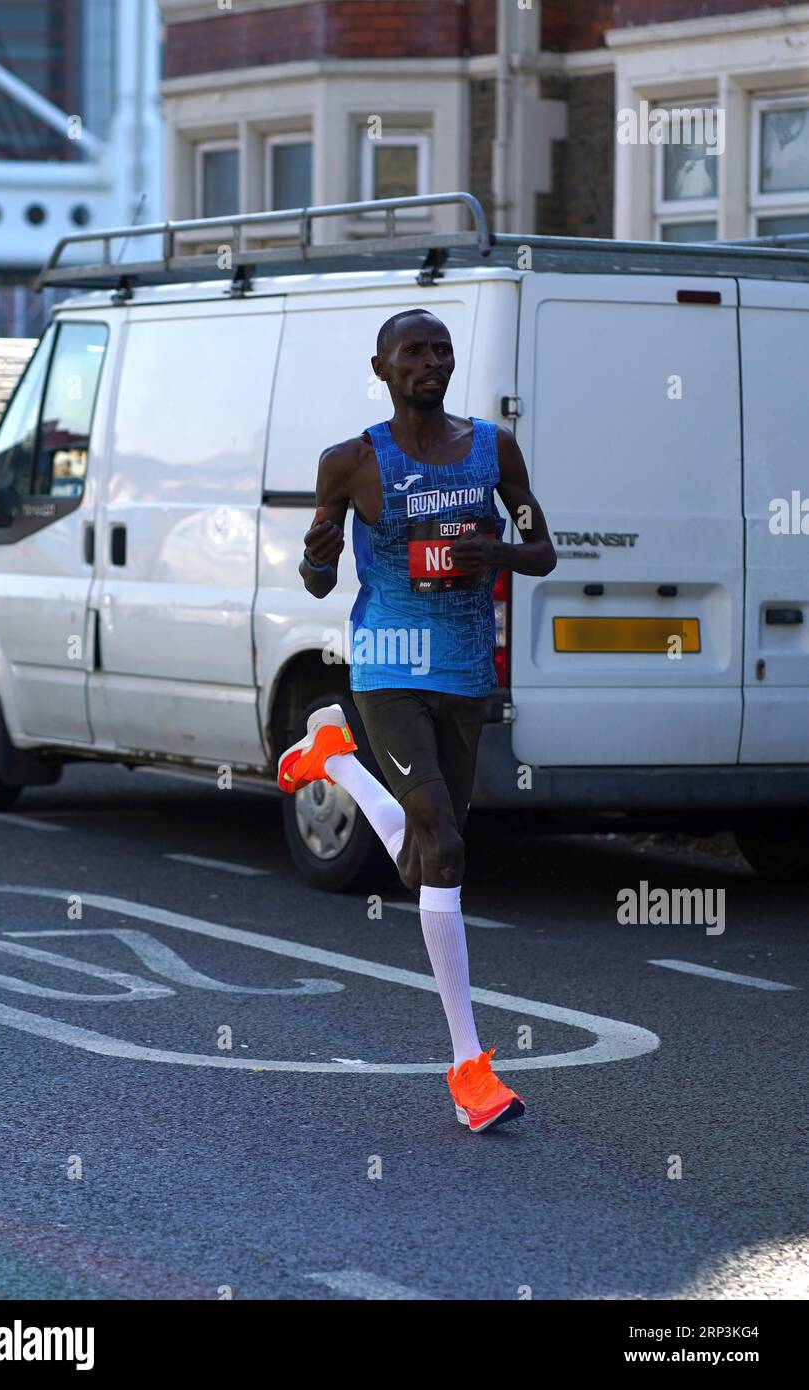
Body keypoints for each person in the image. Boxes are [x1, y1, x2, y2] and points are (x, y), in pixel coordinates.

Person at [278, 308, 557, 1132]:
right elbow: (317, 583)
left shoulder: (492, 449)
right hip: (389, 662)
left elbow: (545, 549)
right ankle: (470, 1065)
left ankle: (335, 759)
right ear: (383, 367)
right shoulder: (351, 460)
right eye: (414, 352)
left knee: (431, 857)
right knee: (441, 839)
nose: (430, 363)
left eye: (441, 350)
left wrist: (499, 554)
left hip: (467, 669)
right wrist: (320, 549)